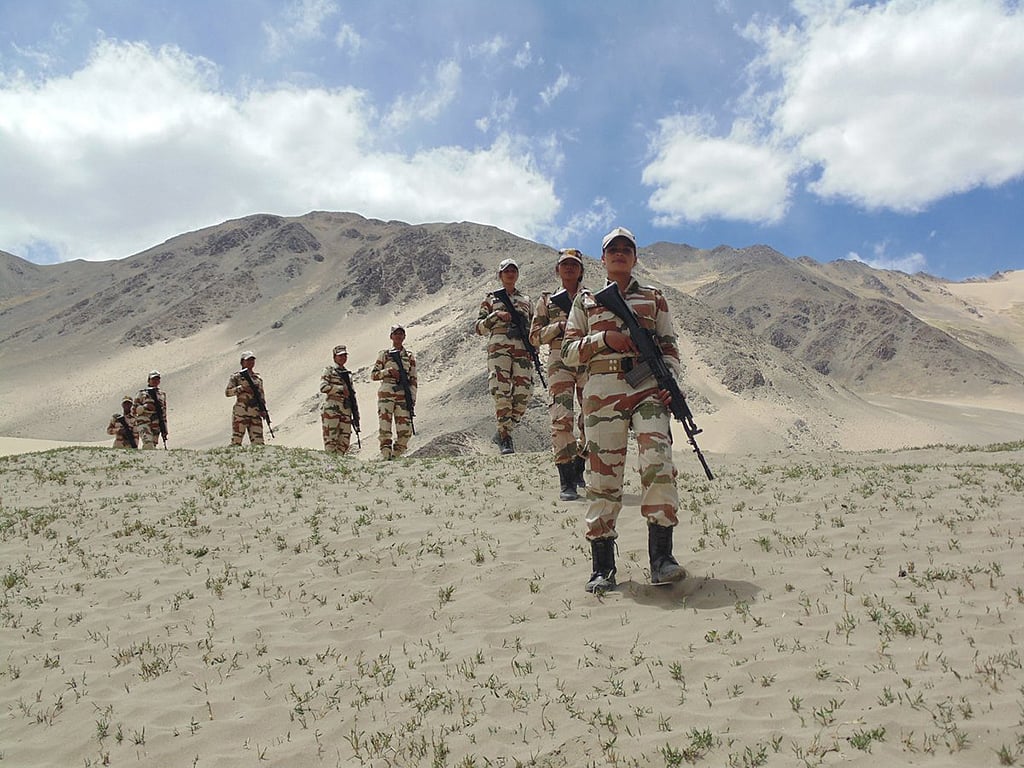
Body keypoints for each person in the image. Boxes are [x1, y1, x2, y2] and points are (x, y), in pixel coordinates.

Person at [562, 227, 687, 593]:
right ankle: (603, 566)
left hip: (647, 388)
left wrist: (670, 383)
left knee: (658, 463)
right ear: (602, 259)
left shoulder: (654, 298)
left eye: (626, 249)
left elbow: (669, 345)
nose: (619, 254)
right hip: (602, 394)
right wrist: (604, 339)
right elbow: (568, 352)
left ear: (635, 257)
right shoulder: (585, 302)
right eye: (612, 249)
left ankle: (662, 559)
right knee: (602, 478)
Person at [530, 248, 588, 500]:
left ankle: (580, 465)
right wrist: (559, 327)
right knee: (562, 419)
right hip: (560, 361)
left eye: (574, 264)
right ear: (557, 269)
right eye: (564, 264)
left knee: (593, 419)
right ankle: (566, 480)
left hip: (587, 360)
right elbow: (535, 337)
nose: (569, 268)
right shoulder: (547, 301)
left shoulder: (591, 299)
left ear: (581, 270)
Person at [474, 258, 534, 455]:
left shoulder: (526, 300)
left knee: (524, 394)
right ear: (500, 275)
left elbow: (533, 328)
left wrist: (534, 351)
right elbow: (479, 328)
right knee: (501, 393)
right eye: (506, 271)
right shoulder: (491, 299)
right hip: (498, 348)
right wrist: (495, 316)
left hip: (522, 349)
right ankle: (505, 436)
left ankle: (505, 430)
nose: (510, 273)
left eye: (513, 270)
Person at [370, 325, 417, 460]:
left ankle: (395, 456)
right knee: (385, 428)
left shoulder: (409, 356)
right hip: (387, 394)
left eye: (401, 334)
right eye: (396, 334)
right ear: (391, 337)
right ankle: (386, 455)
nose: (398, 336)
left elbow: (413, 379)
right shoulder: (385, 355)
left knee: (405, 430)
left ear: (404, 337)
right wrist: (388, 372)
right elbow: (374, 375)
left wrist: (412, 398)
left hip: (403, 394)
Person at [224, 351, 268, 446]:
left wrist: (263, 410)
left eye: (252, 360)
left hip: (255, 414)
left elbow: (261, 396)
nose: (251, 362)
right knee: (236, 442)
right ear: (242, 362)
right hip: (241, 413)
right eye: (248, 360)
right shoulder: (236, 377)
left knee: (259, 444)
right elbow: (228, 392)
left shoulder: (258, 378)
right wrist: (242, 388)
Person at [320, 345, 358, 454]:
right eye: (340, 356)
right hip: (332, 407)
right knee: (331, 440)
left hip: (346, 409)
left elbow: (351, 393)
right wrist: (340, 389)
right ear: (334, 357)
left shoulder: (347, 373)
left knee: (344, 441)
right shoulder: (329, 370)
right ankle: (331, 466)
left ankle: (339, 463)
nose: (343, 358)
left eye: (345, 355)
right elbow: (323, 387)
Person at [133, 370, 168, 449]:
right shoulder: (142, 393)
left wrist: (165, 429)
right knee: (148, 443)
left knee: (153, 446)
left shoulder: (162, 395)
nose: (155, 381)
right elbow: (133, 410)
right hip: (144, 422)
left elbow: (164, 413)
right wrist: (145, 407)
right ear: (149, 380)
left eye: (157, 379)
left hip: (157, 423)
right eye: (153, 379)